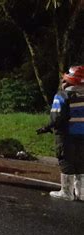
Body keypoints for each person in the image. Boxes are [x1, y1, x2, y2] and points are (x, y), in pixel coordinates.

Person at [37, 66, 84, 201]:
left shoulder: (62, 96)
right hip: (82, 136)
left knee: (66, 161)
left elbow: (56, 117)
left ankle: (66, 192)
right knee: (81, 162)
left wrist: (46, 127)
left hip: (66, 135)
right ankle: (81, 193)